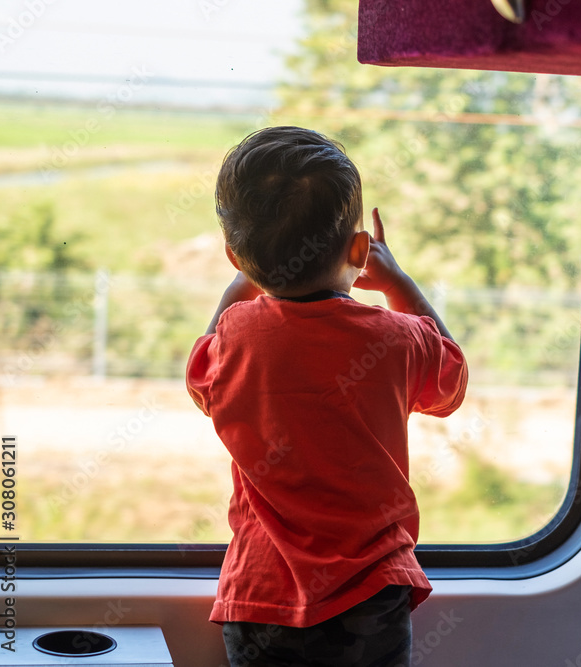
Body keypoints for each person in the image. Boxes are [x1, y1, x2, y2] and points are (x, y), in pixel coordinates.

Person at [186, 126, 468, 667]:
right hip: (370, 590)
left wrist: (246, 279)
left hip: (260, 595)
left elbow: (202, 381)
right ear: (360, 250)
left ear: (234, 257)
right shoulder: (397, 338)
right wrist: (398, 283)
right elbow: (450, 383)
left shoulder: (238, 337)